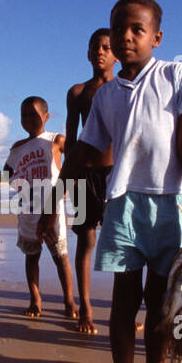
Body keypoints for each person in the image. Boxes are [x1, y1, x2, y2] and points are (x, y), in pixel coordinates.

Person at [48, 0, 182, 363]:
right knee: (124, 301)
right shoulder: (105, 97)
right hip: (123, 205)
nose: (126, 36)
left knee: (161, 304)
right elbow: (84, 150)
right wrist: (57, 198)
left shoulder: (177, 75)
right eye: (119, 28)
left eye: (136, 29)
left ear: (157, 37)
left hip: (171, 204)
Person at [3, 97, 76, 321]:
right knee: (31, 255)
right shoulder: (18, 147)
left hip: (53, 207)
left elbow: (74, 164)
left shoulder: (56, 140)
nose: (28, 120)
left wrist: (66, 189)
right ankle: (35, 299)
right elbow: (7, 173)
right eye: (23, 115)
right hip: (28, 208)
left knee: (60, 256)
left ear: (46, 117)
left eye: (33, 115)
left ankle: (69, 301)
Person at [65, 28, 116, 334]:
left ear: (116, 54)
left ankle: (122, 309)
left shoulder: (126, 88)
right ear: (87, 53)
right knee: (87, 239)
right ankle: (85, 306)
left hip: (116, 176)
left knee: (122, 243)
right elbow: (71, 140)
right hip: (85, 175)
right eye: (95, 47)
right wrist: (69, 180)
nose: (100, 51)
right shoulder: (78, 93)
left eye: (106, 48)